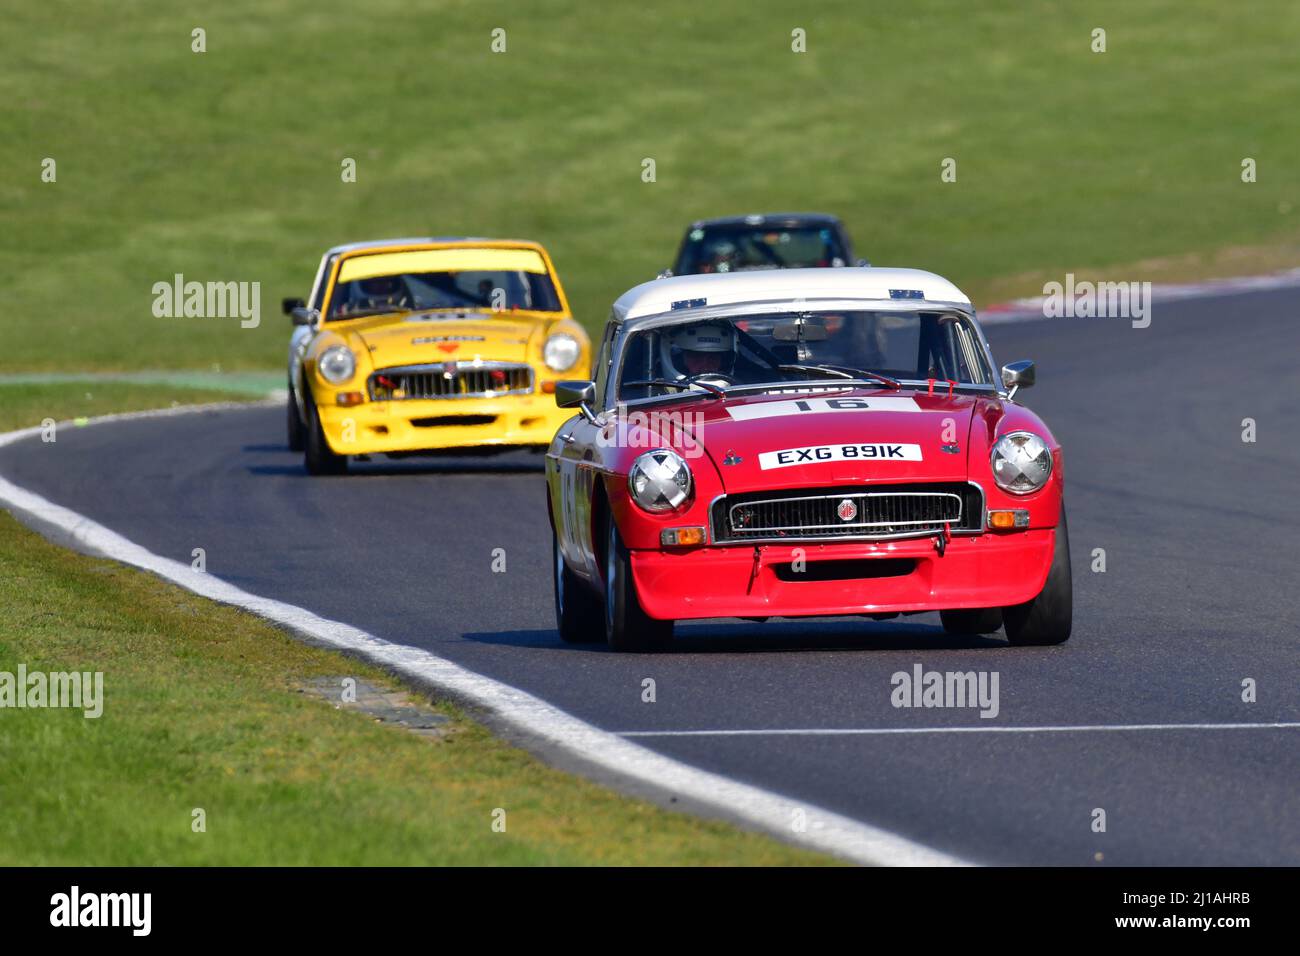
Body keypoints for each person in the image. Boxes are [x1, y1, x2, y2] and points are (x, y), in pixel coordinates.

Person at [660, 322, 738, 382]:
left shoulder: (741, 390)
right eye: (696, 358)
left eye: (713, 358)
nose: (706, 367)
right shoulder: (654, 395)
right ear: (678, 360)